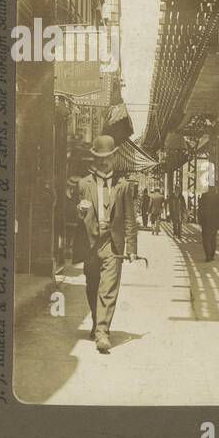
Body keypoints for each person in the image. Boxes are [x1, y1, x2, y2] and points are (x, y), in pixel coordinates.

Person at [75, 135, 140, 354]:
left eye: (107, 157)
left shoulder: (123, 186)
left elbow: (130, 218)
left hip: (113, 244)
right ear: (93, 158)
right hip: (90, 243)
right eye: (99, 157)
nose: (103, 162)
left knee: (108, 288)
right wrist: (79, 211)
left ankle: (103, 332)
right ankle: (96, 322)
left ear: (114, 157)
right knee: (92, 286)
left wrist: (131, 248)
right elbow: (71, 214)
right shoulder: (84, 184)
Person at [197, 184, 219, 261]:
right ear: (214, 189)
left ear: (209, 188)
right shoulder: (217, 197)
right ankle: (212, 255)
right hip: (214, 222)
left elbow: (200, 209)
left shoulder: (204, 196)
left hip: (205, 222)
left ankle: (208, 255)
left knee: (206, 239)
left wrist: (199, 220)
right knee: (213, 239)